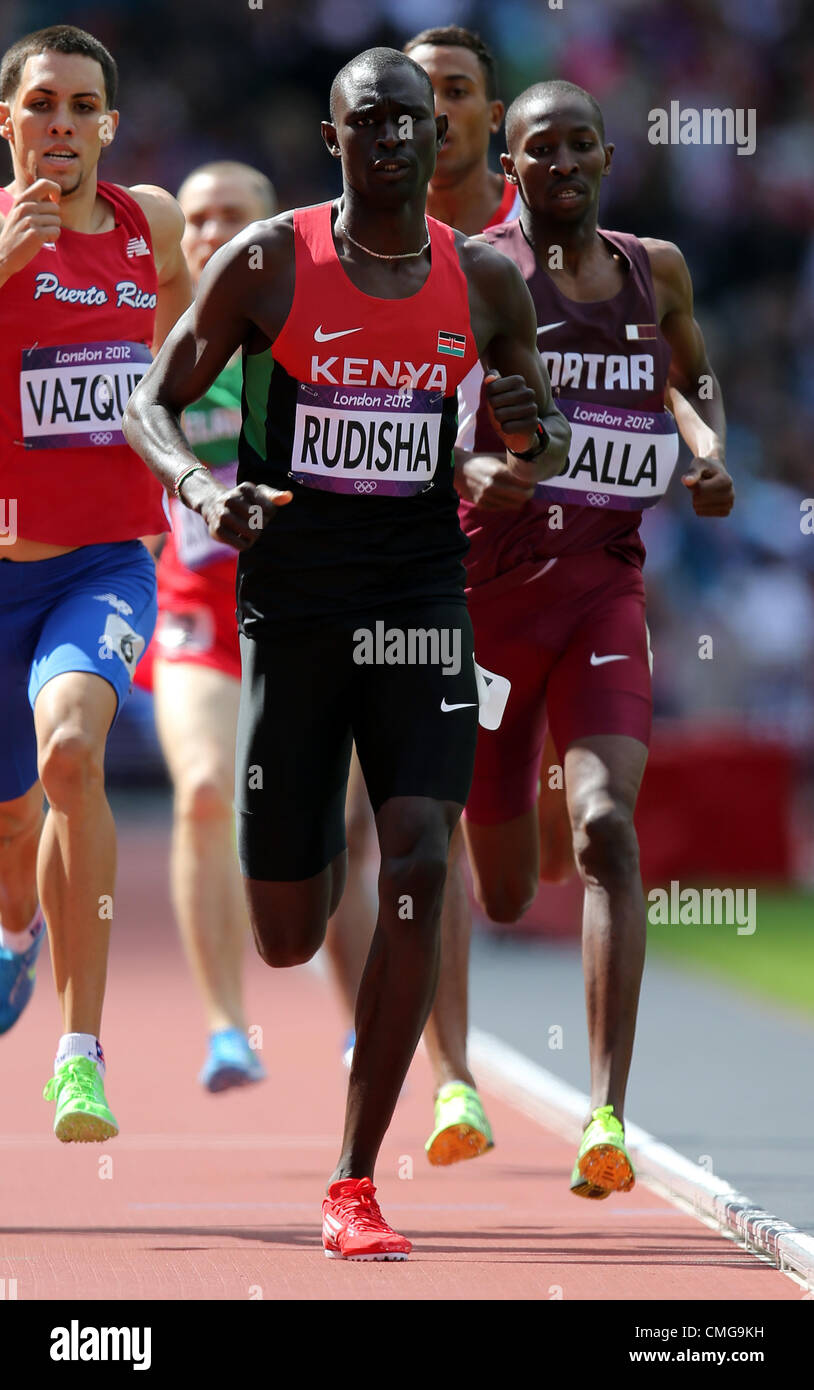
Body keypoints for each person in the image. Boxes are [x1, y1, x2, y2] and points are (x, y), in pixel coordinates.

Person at [123, 47, 569, 1260]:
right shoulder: (272, 259)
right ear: (332, 140)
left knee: (420, 848)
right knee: (288, 927)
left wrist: (521, 450)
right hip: (295, 607)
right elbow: (151, 402)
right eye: (367, 121)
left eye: (411, 121)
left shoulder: (484, 280)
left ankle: (356, 1178)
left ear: (438, 139)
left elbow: (538, 431)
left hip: (422, 593)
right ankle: (299, 874)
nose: (392, 138)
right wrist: (204, 497)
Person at [455, 80, 734, 1198]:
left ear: (607, 157)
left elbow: (693, 377)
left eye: (580, 146)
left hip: (600, 594)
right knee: (508, 888)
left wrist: (707, 445)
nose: (561, 164)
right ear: (506, 164)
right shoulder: (474, 270)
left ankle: (604, 1111)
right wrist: (476, 468)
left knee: (610, 825)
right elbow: (423, 417)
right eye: (539, 150)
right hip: (484, 605)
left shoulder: (652, 267)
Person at [325, 24, 526, 1169]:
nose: (431, 110)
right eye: (414, 92)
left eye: (454, 92)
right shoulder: (348, 228)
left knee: (464, 844)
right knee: (379, 829)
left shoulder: (528, 237)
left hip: (508, 566)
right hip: (388, 560)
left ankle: (438, 1062)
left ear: (487, 114)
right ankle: (421, 1054)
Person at [0, 25, 191, 1140]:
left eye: (81, 106)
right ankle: (16, 932)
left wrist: (176, 444)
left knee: (73, 753)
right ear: (10, 121)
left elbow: (185, 318)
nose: (61, 124)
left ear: (109, 124)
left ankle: (80, 1055)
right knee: (12, 826)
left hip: (103, 566)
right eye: (41, 105)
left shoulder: (147, 221)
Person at [137, 161, 277, 1092]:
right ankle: (227, 1028)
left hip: (304, 613)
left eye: (232, 218)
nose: (209, 232)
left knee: (333, 823)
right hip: (193, 609)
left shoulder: (306, 330)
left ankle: (361, 1017)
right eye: (193, 219)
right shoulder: (157, 339)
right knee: (200, 794)